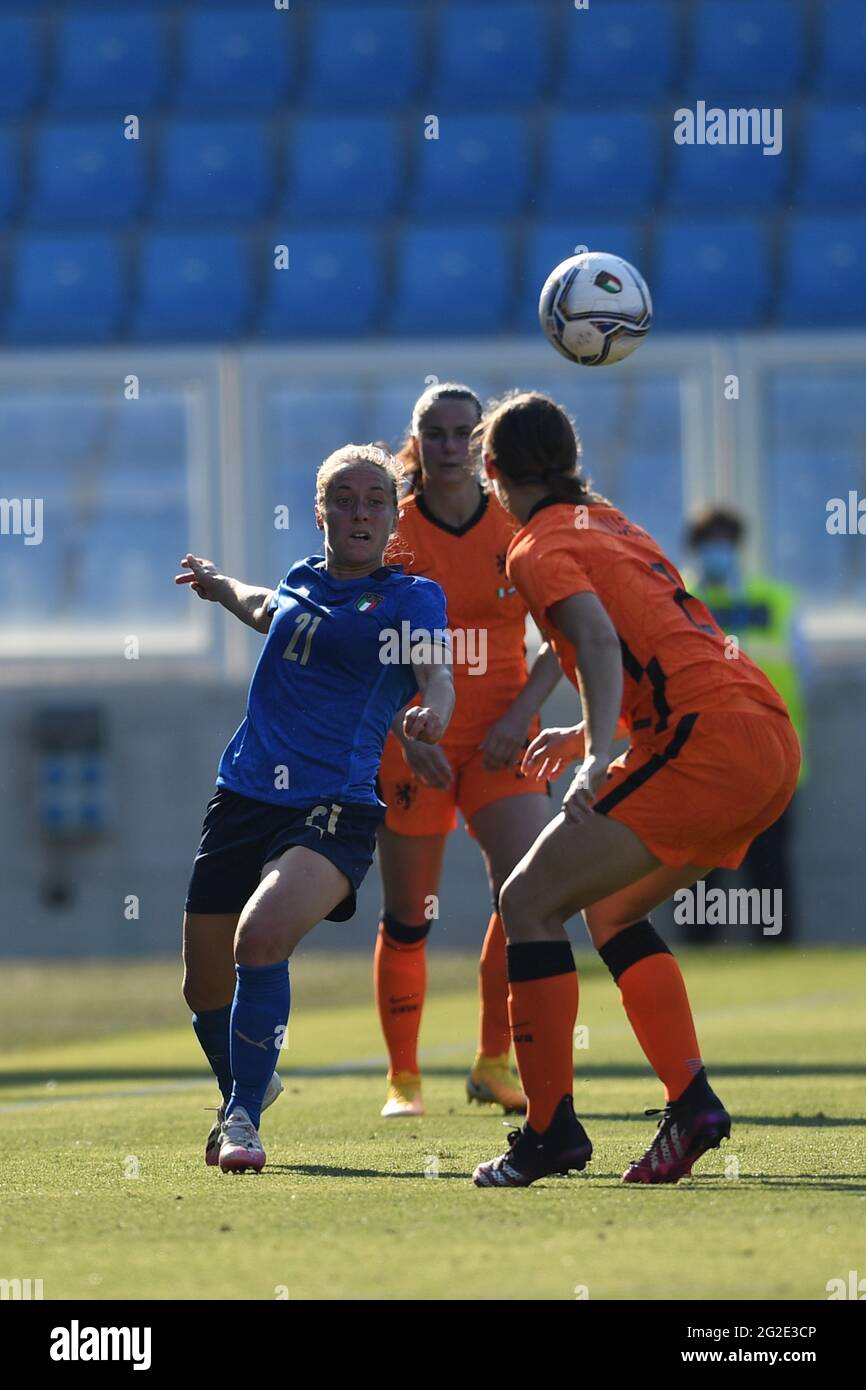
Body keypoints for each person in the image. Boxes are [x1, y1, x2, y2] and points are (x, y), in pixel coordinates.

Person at [468, 392, 800, 1188]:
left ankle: (549, 1132)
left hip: (706, 742)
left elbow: (594, 637)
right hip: (765, 734)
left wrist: (595, 754)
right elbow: (654, 645)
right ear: (571, 460)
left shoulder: (535, 544)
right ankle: (692, 1105)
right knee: (610, 909)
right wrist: (590, 733)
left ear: (493, 471)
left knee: (526, 901)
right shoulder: (613, 523)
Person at [178, 445, 454, 1174]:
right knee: (203, 985)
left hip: (334, 803)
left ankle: (240, 1118)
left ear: (393, 518)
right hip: (242, 793)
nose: (360, 513)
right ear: (320, 511)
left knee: (260, 935)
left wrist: (435, 711)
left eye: (375, 501)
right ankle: (249, 1080)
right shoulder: (302, 579)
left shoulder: (411, 598)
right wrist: (218, 586)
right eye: (344, 500)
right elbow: (266, 608)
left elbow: (437, 672)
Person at [373, 382, 562, 1117]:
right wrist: (401, 727)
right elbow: (366, 647)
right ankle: (403, 1079)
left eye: (463, 433)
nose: (450, 446)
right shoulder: (393, 531)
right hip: (415, 740)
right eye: (436, 433)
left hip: (503, 737)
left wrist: (519, 716)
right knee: (409, 915)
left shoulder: (517, 523)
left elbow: (565, 634)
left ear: (483, 443)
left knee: (525, 895)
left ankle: (493, 1062)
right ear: (416, 442)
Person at [682, 506, 810, 942]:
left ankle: (777, 945)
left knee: (769, 862)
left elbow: (802, 673)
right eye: (709, 542)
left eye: (724, 542)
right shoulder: (679, 601)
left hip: (771, 760)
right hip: (703, 761)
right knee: (698, 865)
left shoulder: (775, 600)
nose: (717, 551)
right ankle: (699, 948)